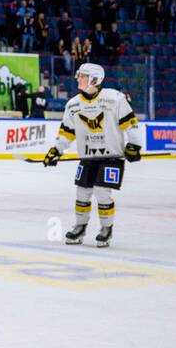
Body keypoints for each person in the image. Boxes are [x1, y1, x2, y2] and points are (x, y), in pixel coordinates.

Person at [42, 63, 144, 248]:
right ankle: (80, 226)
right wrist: (56, 150)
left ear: (94, 79)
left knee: (102, 192)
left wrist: (134, 145)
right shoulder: (73, 104)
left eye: (82, 75)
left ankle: (106, 229)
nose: (78, 78)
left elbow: (131, 123)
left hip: (111, 156)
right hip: (87, 157)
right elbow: (66, 132)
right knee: (82, 192)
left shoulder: (114, 99)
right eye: (79, 75)